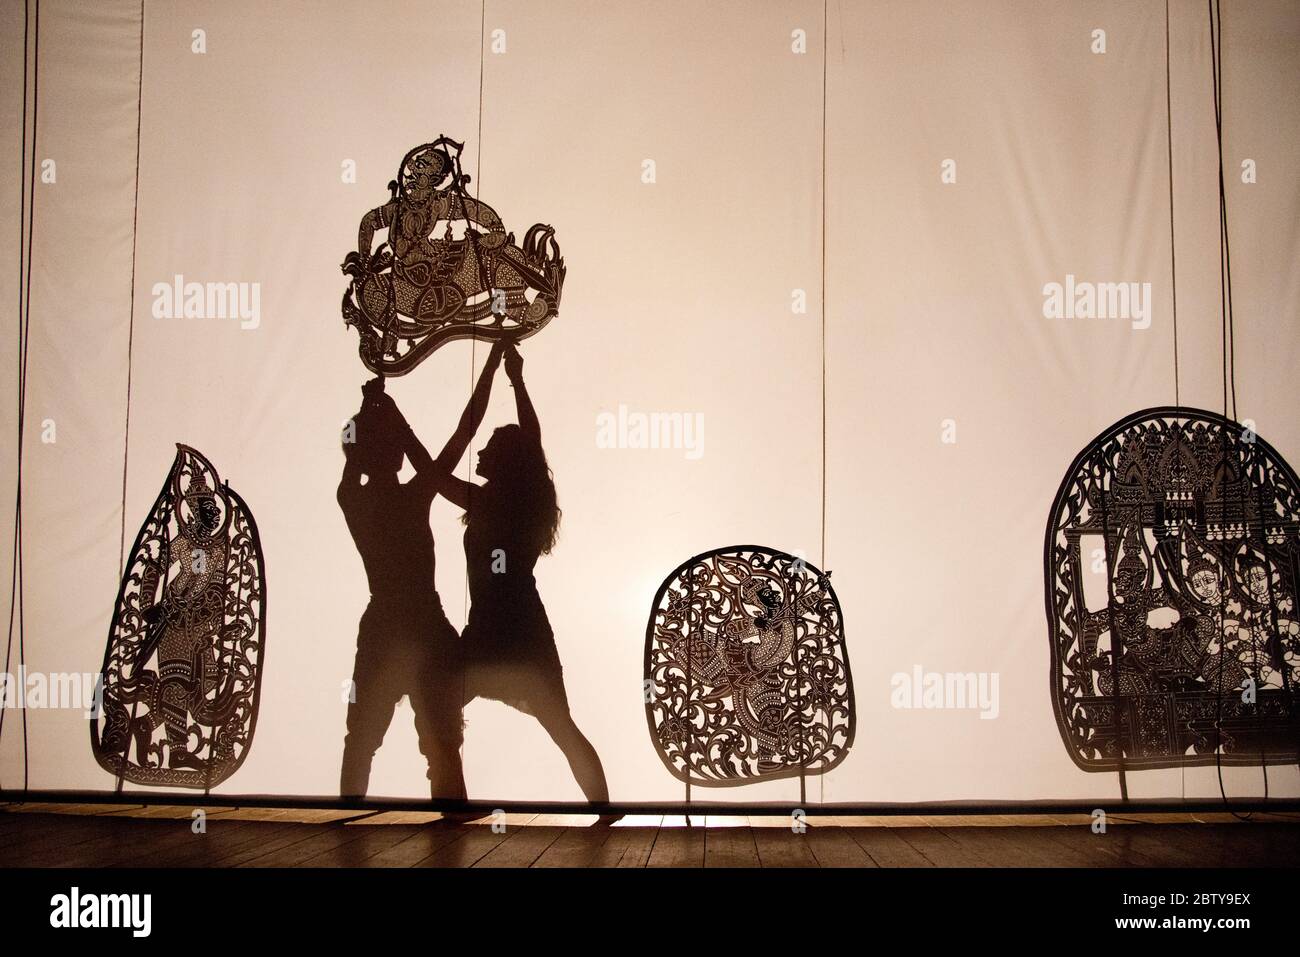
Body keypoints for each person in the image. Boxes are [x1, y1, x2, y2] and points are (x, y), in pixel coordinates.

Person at [434, 341, 609, 802]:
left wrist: (501, 373)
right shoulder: (517, 501)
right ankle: (605, 814)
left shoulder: (493, 501)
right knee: (560, 727)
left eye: (489, 446)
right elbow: (532, 442)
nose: (480, 452)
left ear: (505, 460)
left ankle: (454, 803)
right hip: (514, 627)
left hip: (502, 628)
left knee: (444, 703)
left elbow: (433, 474)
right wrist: (512, 377)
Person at [336, 365, 493, 801]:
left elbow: (352, 451)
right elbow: (465, 431)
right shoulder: (413, 494)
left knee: (362, 736)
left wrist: (372, 411)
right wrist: (391, 414)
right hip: (423, 621)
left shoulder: (353, 498)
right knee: (441, 737)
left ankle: (344, 826)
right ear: (396, 453)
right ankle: (453, 817)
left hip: (384, 623)